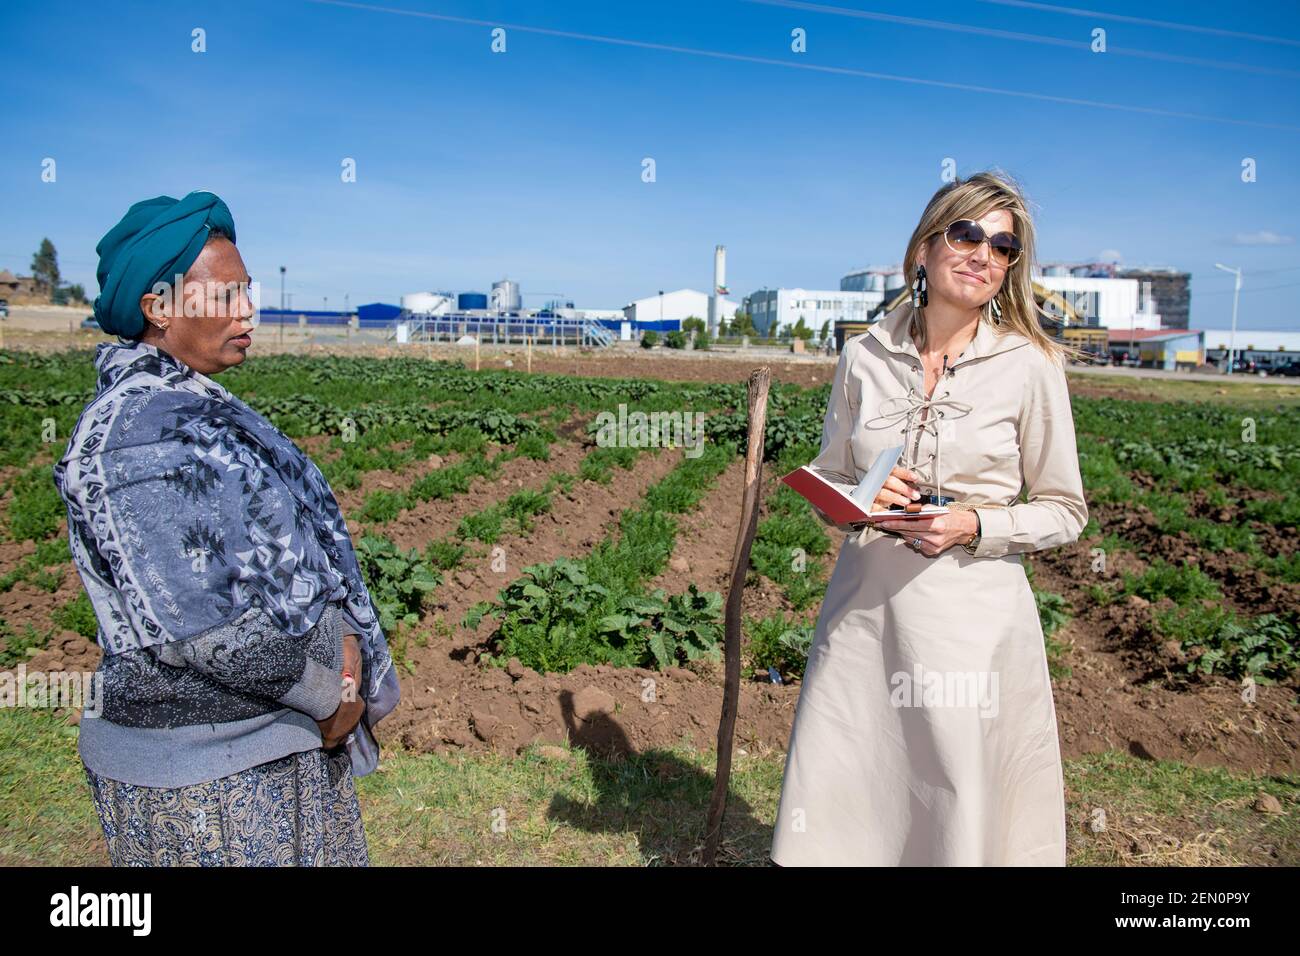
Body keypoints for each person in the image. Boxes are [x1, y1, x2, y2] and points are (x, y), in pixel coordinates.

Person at [52, 191, 400, 866]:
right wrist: (332, 694)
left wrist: (345, 657)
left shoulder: (185, 405)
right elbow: (204, 628)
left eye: (248, 293)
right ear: (157, 307)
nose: (247, 312)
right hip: (208, 775)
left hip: (266, 742)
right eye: (226, 296)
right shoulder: (138, 437)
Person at [770, 170, 1088, 866]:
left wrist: (975, 526)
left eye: (1003, 247)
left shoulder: (1031, 365)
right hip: (865, 617)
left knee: (955, 805)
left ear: (1011, 269)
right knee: (855, 789)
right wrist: (855, 498)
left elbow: (1066, 512)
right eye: (966, 233)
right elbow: (832, 470)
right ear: (923, 248)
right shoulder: (863, 355)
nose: (983, 254)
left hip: (971, 624)